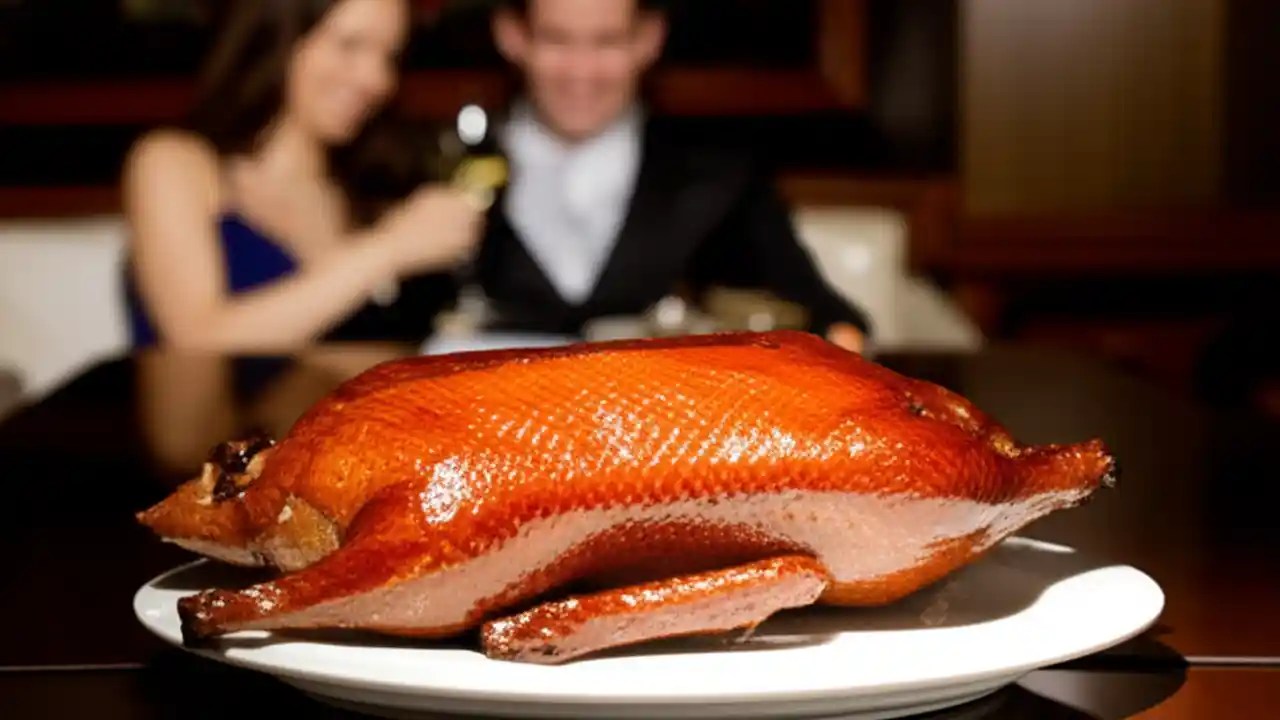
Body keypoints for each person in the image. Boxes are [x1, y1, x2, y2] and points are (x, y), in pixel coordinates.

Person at [471, 0, 871, 351]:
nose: (581, 70)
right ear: (511, 36)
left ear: (649, 39)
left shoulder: (719, 182)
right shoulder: (446, 171)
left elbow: (830, 320)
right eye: (557, 40)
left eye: (607, 41)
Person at [122, 0, 482, 352]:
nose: (376, 80)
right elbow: (196, 338)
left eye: (389, 57)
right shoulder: (174, 162)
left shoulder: (365, 189)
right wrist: (390, 249)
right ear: (281, 35)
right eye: (350, 45)